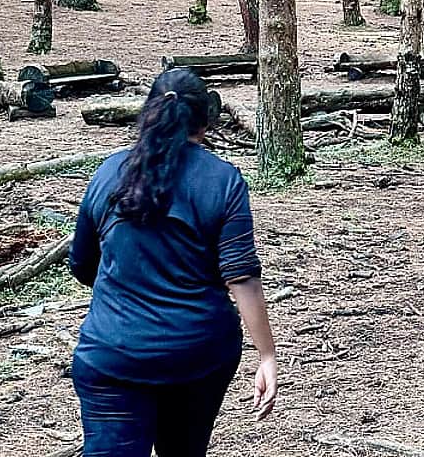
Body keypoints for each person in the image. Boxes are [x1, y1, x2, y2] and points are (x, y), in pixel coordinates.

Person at [69, 69, 277, 457]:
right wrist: (266, 355)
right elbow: (241, 276)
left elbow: (82, 265)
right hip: (197, 355)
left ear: (149, 113)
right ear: (205, 123)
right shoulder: (223, 180)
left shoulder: (108, 172)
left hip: (112, 353)